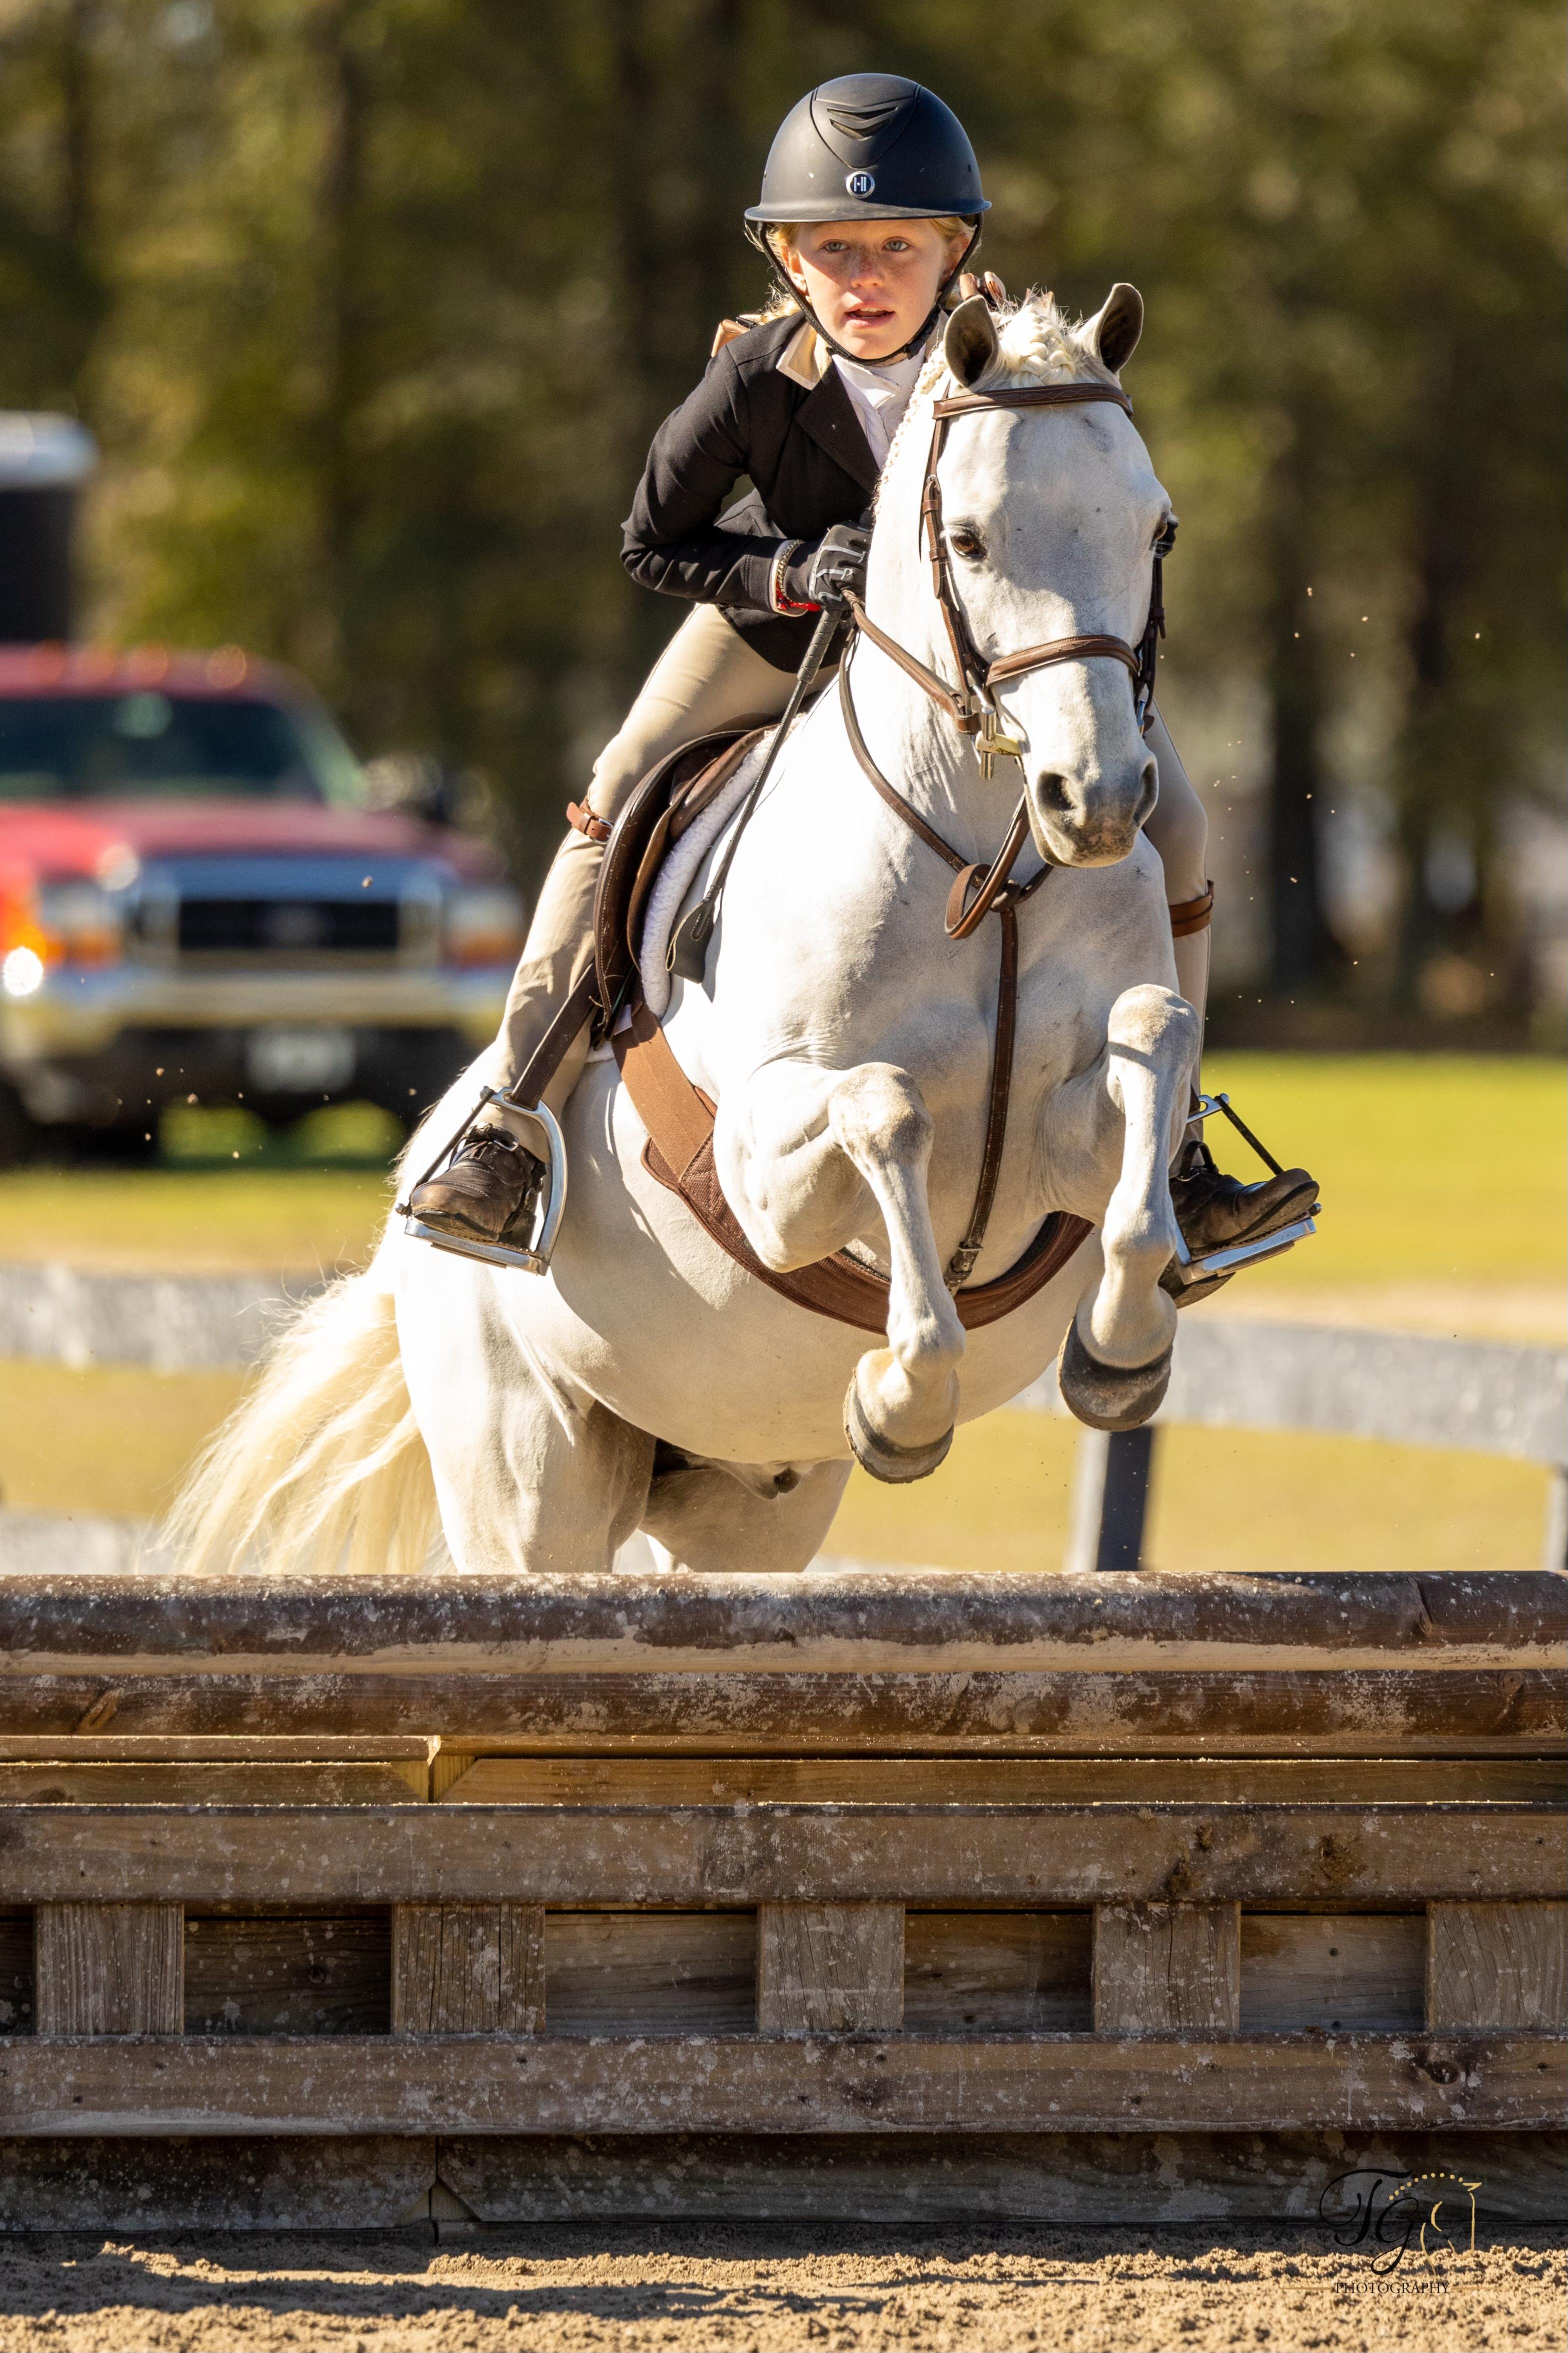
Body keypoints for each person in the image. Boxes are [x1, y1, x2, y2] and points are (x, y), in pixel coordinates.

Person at [411, 71, 1315, 1271]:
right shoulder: (754, 381)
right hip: (784, 633)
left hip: (969, 658)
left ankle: (1182, 1150)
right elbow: (650, 540)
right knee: (618, 785)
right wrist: (785, 571)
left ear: (955, 252)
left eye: (900, 245)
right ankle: (513, 1122)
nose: (867, 276)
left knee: (1181, 825)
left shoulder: (1012, 361)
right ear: (786, 259)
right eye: (833, 247)